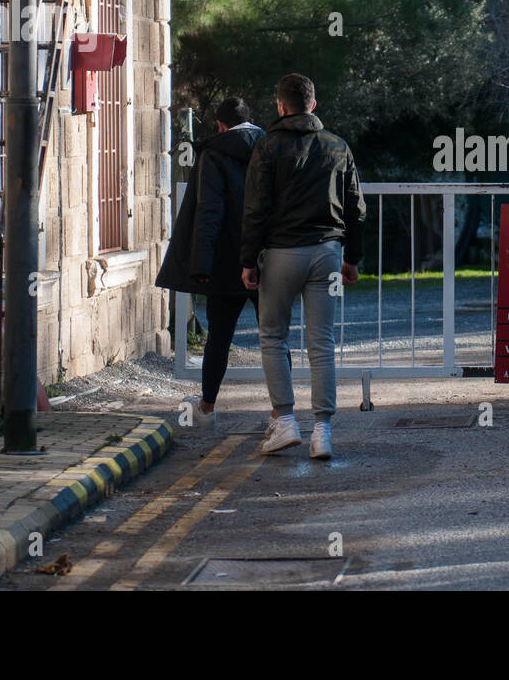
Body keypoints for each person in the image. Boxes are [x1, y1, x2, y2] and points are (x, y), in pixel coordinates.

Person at [240, 73, 366, 460]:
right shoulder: (338, 146)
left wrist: (248, 260)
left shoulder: (266, 147)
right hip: (326, 254)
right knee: (321, 342)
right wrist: (352, 258)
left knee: (273, 337)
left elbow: (255, 210)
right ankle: (322, 432)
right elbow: (356, 209)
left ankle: (285, 421)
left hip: (281, 254)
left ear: (280, 106)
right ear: (313, 104)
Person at [156, 97, 265, 430]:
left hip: (226, 260)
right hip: (265, 258)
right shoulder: (270, 146)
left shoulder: (214, 153)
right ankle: (282, 412)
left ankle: (207, 407)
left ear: (220, 126)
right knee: (274, 338)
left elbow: (209, 211)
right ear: (250, 120)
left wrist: (199, 265)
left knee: (219, 337)